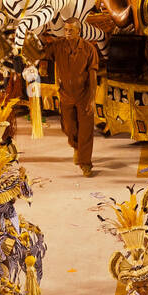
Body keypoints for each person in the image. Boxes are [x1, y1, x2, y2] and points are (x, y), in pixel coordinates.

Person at [47, 18, 98, 177]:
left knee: (86, 130)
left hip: (84, 95)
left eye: (71, 30)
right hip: (66, 95)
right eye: (66, 30)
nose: (67, 33)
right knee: (69, 128)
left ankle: (85, 163)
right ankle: (76, 147)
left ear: (78, 31)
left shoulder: (89, 49)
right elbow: (42, 54)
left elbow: (93, 76)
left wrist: (92, 99)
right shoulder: (58, 46)